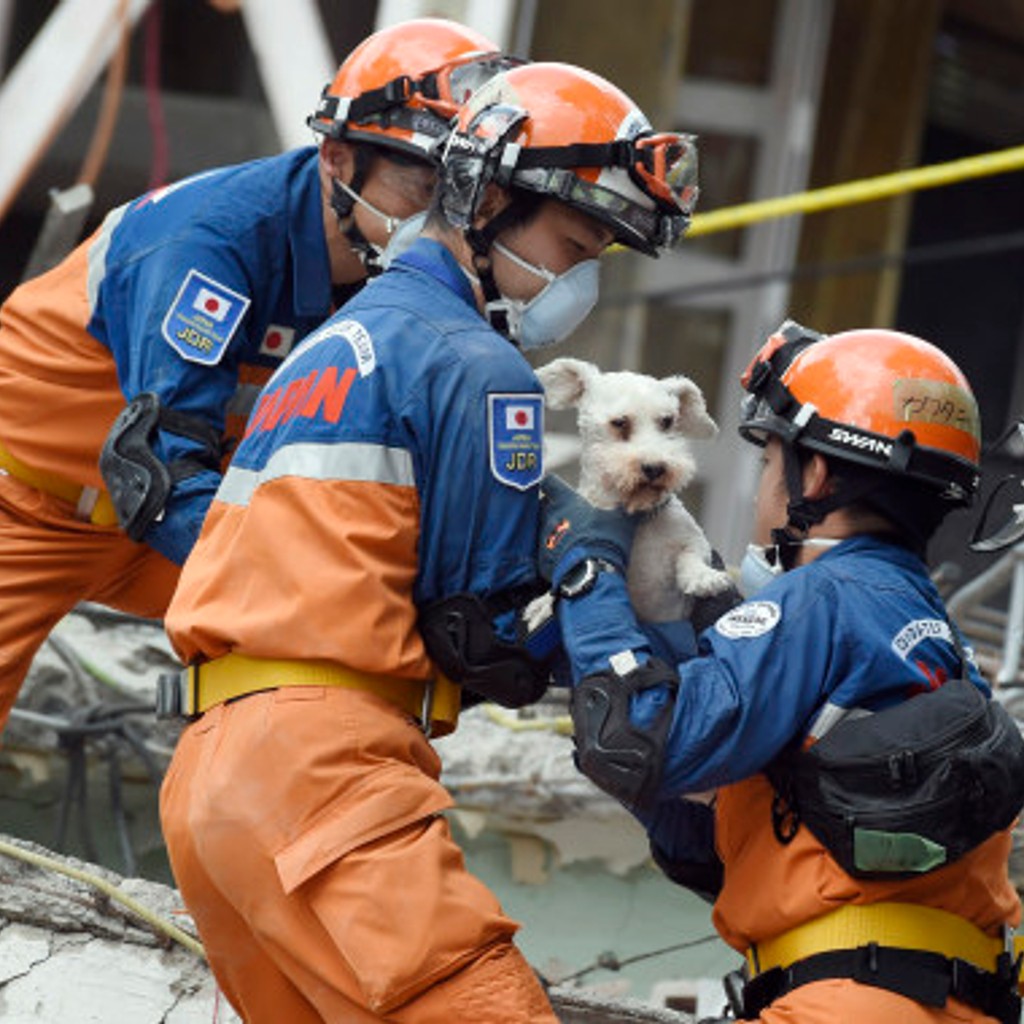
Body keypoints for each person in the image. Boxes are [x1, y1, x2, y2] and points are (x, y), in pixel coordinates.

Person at [157, 61, 698, 1023]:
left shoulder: (333, 343)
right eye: (574, 243)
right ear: (484, 196)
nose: (578, 280)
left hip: (211, 780)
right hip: (326, 774)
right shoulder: (478, 367)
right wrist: (609, 577)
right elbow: (481, 639)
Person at [0, 17, 512, 734]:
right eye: (420, 181)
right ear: (336, 157)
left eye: (461, 192)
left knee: (343, 664)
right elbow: (157, 469)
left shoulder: (404, 278)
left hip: (186, 524)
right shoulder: (212, 244)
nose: (439, 215)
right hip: (27, 514)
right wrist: (301, 580)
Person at [538, 323, 1024, 1023]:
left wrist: (589, 576)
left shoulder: (817, 601)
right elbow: (712, 846)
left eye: (770, 461)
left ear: (815, 475)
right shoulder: (921, 624)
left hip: (840, 1000)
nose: (764, 487)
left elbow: (639, 740)